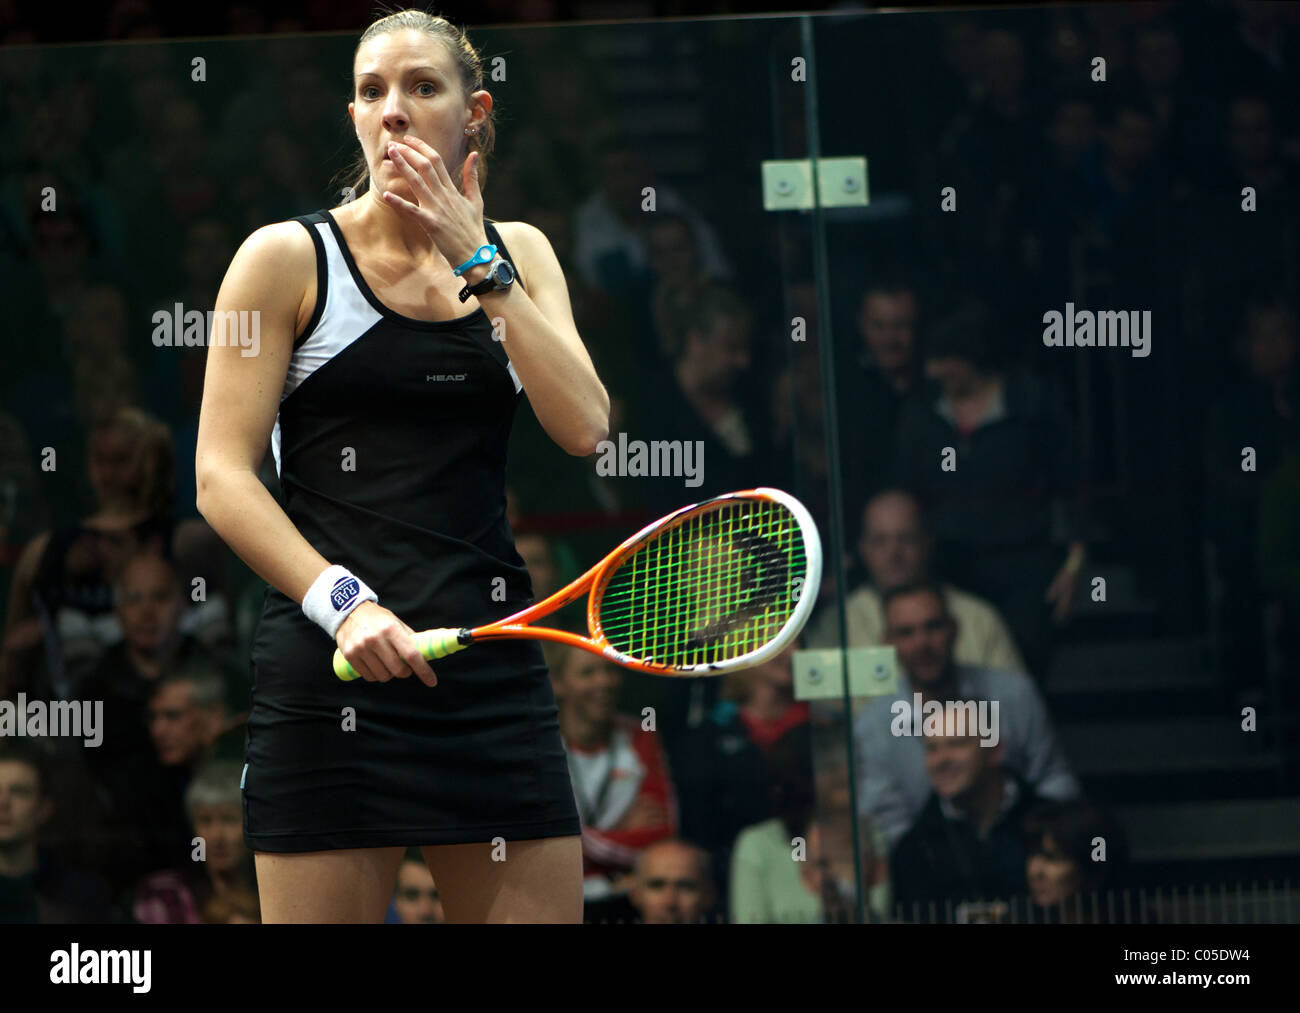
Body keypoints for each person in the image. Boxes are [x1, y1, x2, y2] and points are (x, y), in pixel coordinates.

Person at [194, 10, 608, 924]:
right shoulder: (283, 259)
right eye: (373, 92)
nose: (394, 112)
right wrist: (345, 605)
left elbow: (583, 426)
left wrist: (479, 261)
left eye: (423, 89)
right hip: (329, 678)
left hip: (489, 668)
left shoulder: (523, 253)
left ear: (475, 111)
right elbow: (221, 477)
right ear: (351, 115)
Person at [855, 580, 1079, 849]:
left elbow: (1054, 779)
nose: (922, 643)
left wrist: (1047, 849)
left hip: (1025, 853)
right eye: (906, 633)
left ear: (954, 630)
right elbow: (885, 824)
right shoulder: (873, 725)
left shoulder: (1014, 694)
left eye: (933, 626)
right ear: (887, 643)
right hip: (931, 871)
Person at [809, 489, 1025, 675]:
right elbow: (822, 710)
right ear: (863, 549)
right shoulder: (837, 624)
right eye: (880, 541)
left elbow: (1014, 705)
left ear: (927, 543)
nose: (894, 553)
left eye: (906, 538)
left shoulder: (978, 618)